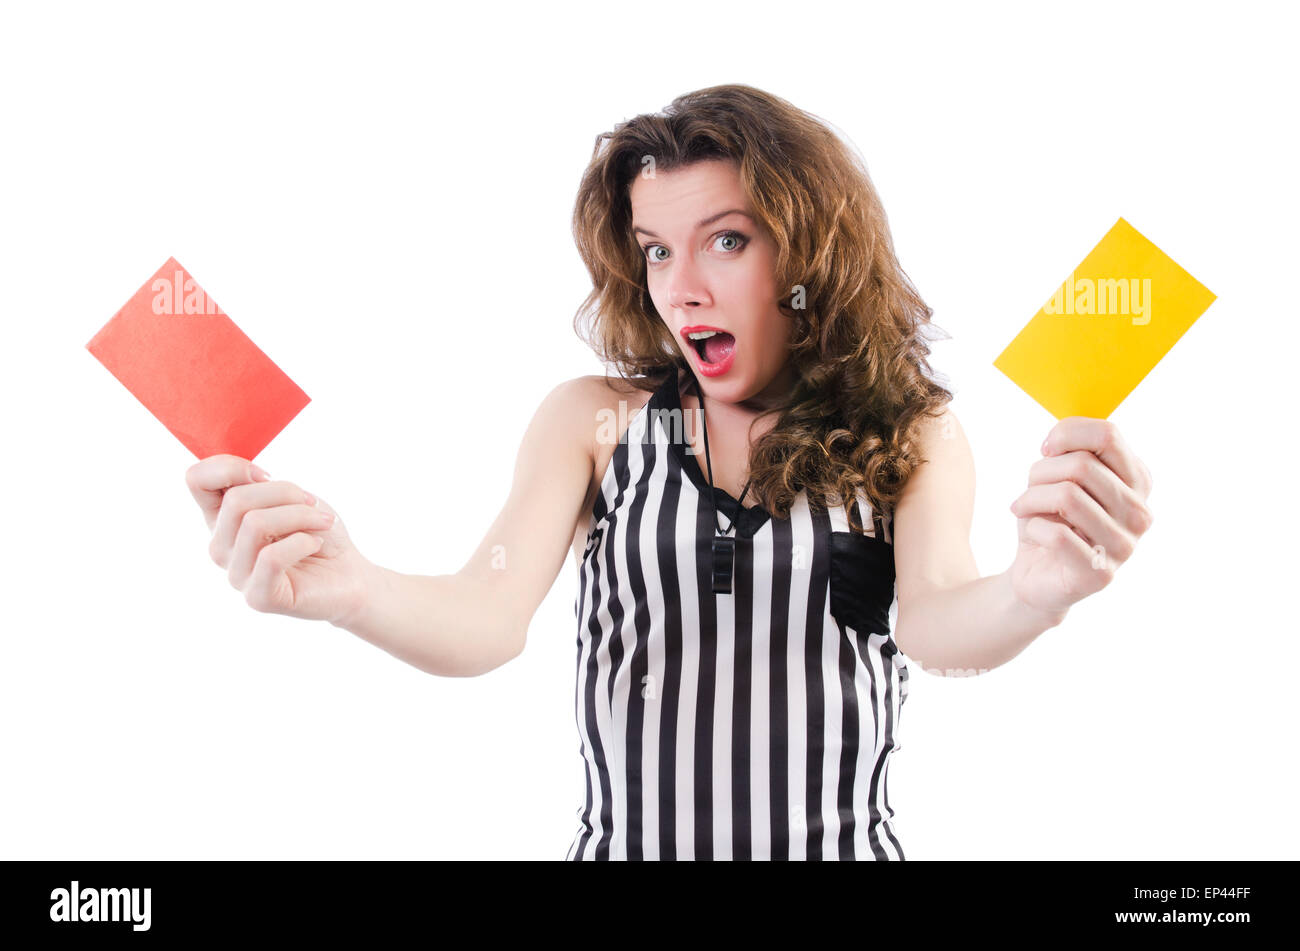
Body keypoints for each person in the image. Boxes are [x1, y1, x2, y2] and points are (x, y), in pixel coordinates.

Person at [185, 84, 1155, 860]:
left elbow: (938, 623)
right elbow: (485, 616)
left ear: (810, 251)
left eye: (725, 241)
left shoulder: (912, 431)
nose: (680, 287)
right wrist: (356, 590)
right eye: (655, 250)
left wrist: (1036, 592)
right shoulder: (592, 422)